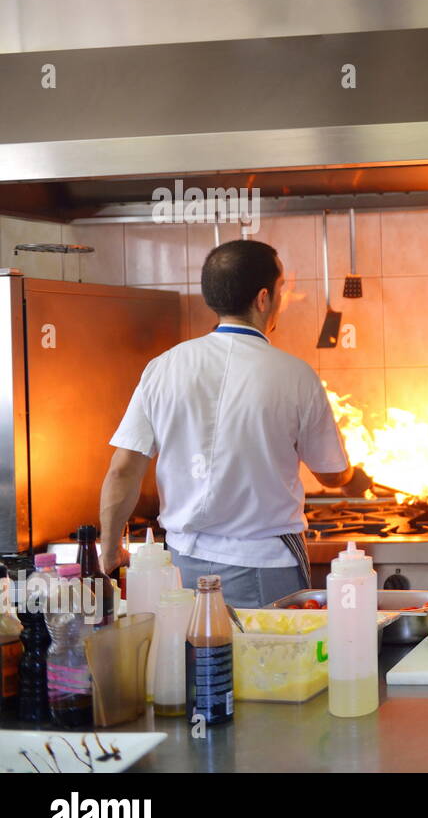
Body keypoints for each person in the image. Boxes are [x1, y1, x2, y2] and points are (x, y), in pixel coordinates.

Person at [98, 239, 371, 607]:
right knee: (272, 663)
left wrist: (112, 548)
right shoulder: (295, 375)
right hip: (266, 568)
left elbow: (122, 470)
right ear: (263, 299)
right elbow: (331, 474)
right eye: (282, 289)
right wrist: (351, 476)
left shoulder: (163, 368)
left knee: (195, 663)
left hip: (179, 568)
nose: (283, 300)